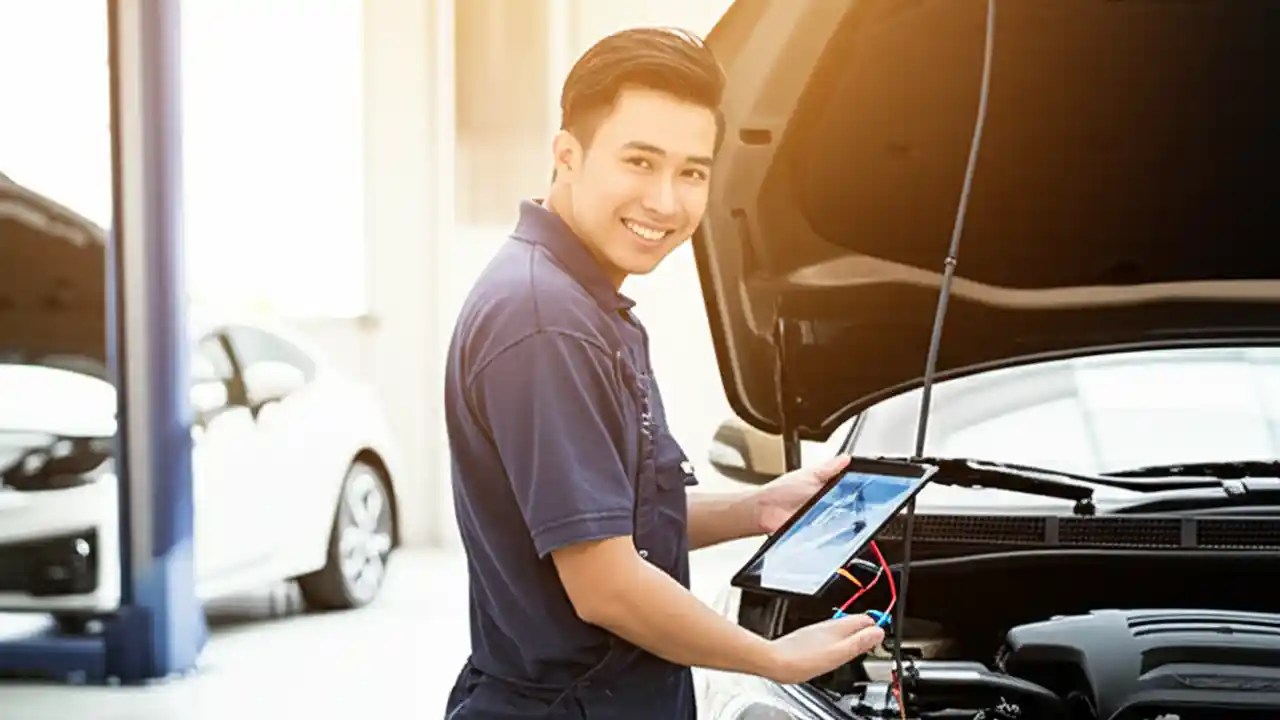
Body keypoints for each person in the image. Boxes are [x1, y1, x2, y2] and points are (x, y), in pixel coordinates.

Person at [442, 27, 885, 719]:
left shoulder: (576, 300)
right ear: (567, 155)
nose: (666, 201)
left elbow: (610, 524)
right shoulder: (545, 321)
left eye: (693, 172)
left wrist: (755, 510)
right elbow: (605, 584)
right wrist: (772, 657)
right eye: (640, 162)